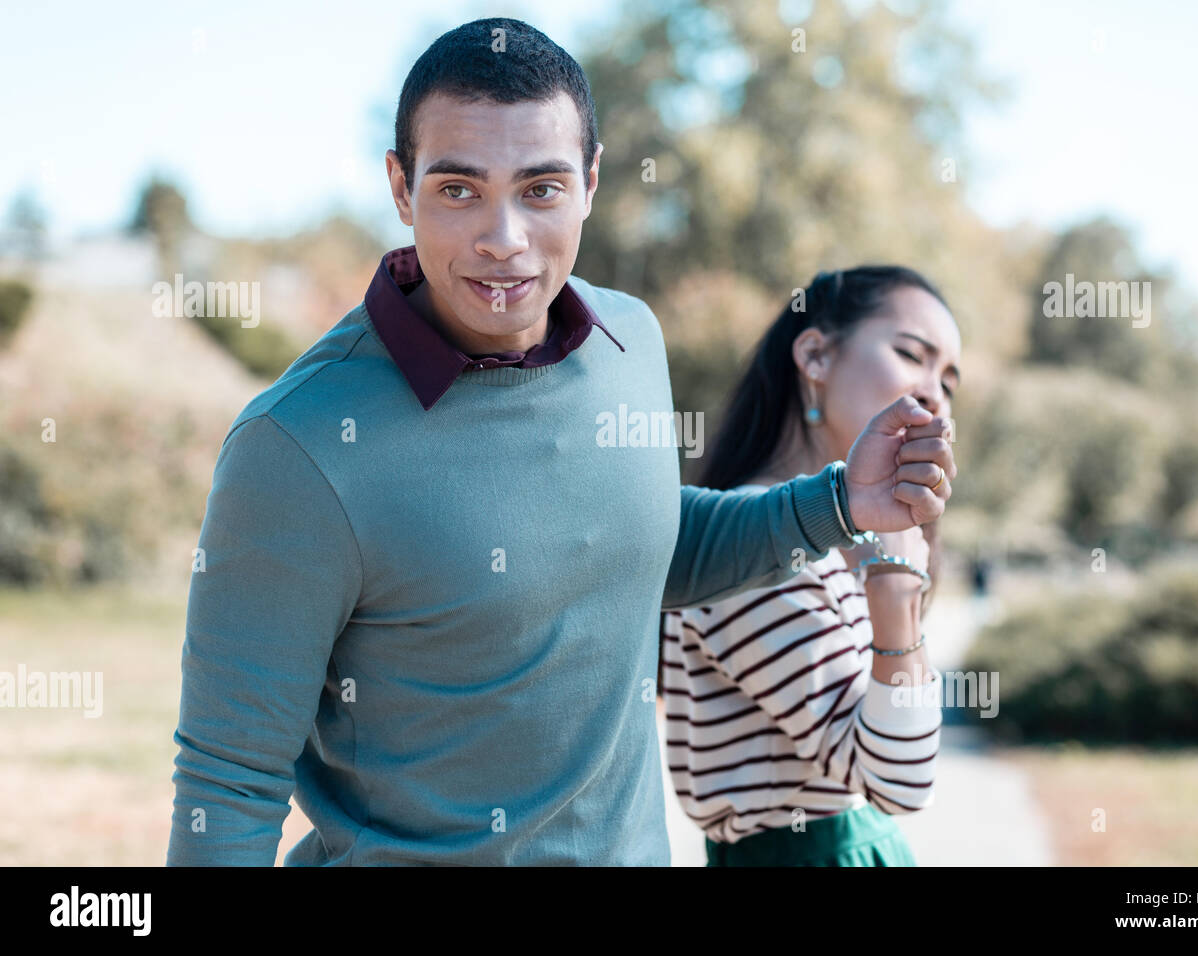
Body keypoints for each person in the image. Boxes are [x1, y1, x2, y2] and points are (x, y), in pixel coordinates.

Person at [165, 20, 955, 866]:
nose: (503, 238)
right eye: (459, 190)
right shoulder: (294, 444)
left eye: (540, 188)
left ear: (590, 182)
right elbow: (230, 785)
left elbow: (641, 537)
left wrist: (838, 503)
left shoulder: (630, 340)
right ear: (401, 188)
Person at [661, 266, 962, 866]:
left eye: (950, 381)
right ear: (816, 355)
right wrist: (897, 586)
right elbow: (900, 782)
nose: (934, 392)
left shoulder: (833, 544)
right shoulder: (755, 549)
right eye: (911, 354)